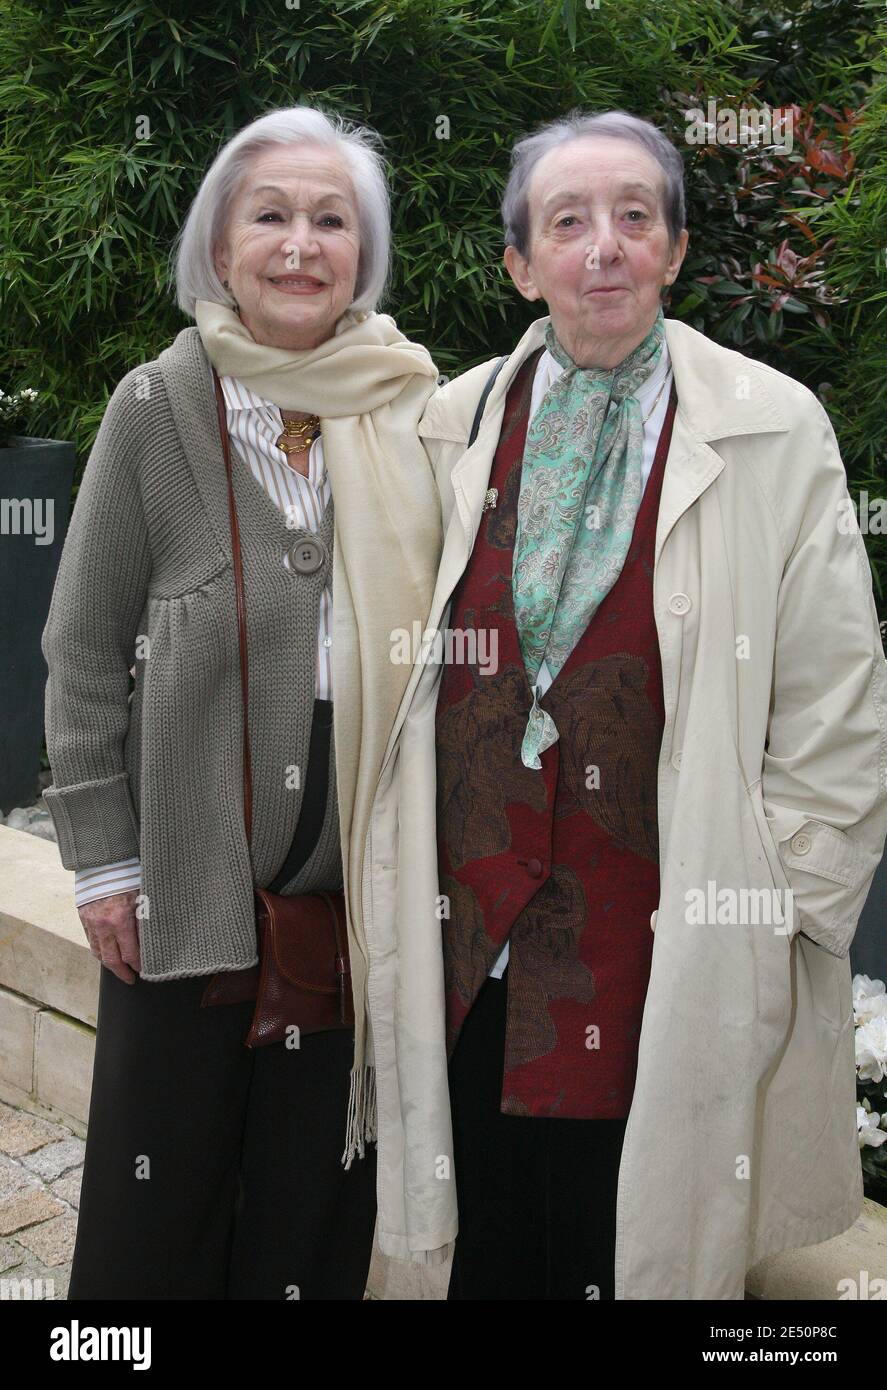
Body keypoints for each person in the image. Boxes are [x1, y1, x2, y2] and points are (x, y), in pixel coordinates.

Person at [361, 109, 887, 1298]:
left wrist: (783, 899)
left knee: (634, 1240)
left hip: (664, 936)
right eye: (566, 222)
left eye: (633, 217)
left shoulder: (770, 429)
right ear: (519, 264)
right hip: (474, 934)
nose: (601, 246)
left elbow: (836, 696)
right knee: (485, 1232)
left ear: (674, 249)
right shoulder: (452, 424)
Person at [40, 104, 442, 1299]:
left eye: (331, 219)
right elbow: (79, 649)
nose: (299, 243)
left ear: (362, 253)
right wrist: (104, 863)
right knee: (149, 1228)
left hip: (346, 915)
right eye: (269, 215)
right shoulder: (156, 412)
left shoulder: (412, 411)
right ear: (220, 247)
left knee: (309, 1230)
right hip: (184, 900)